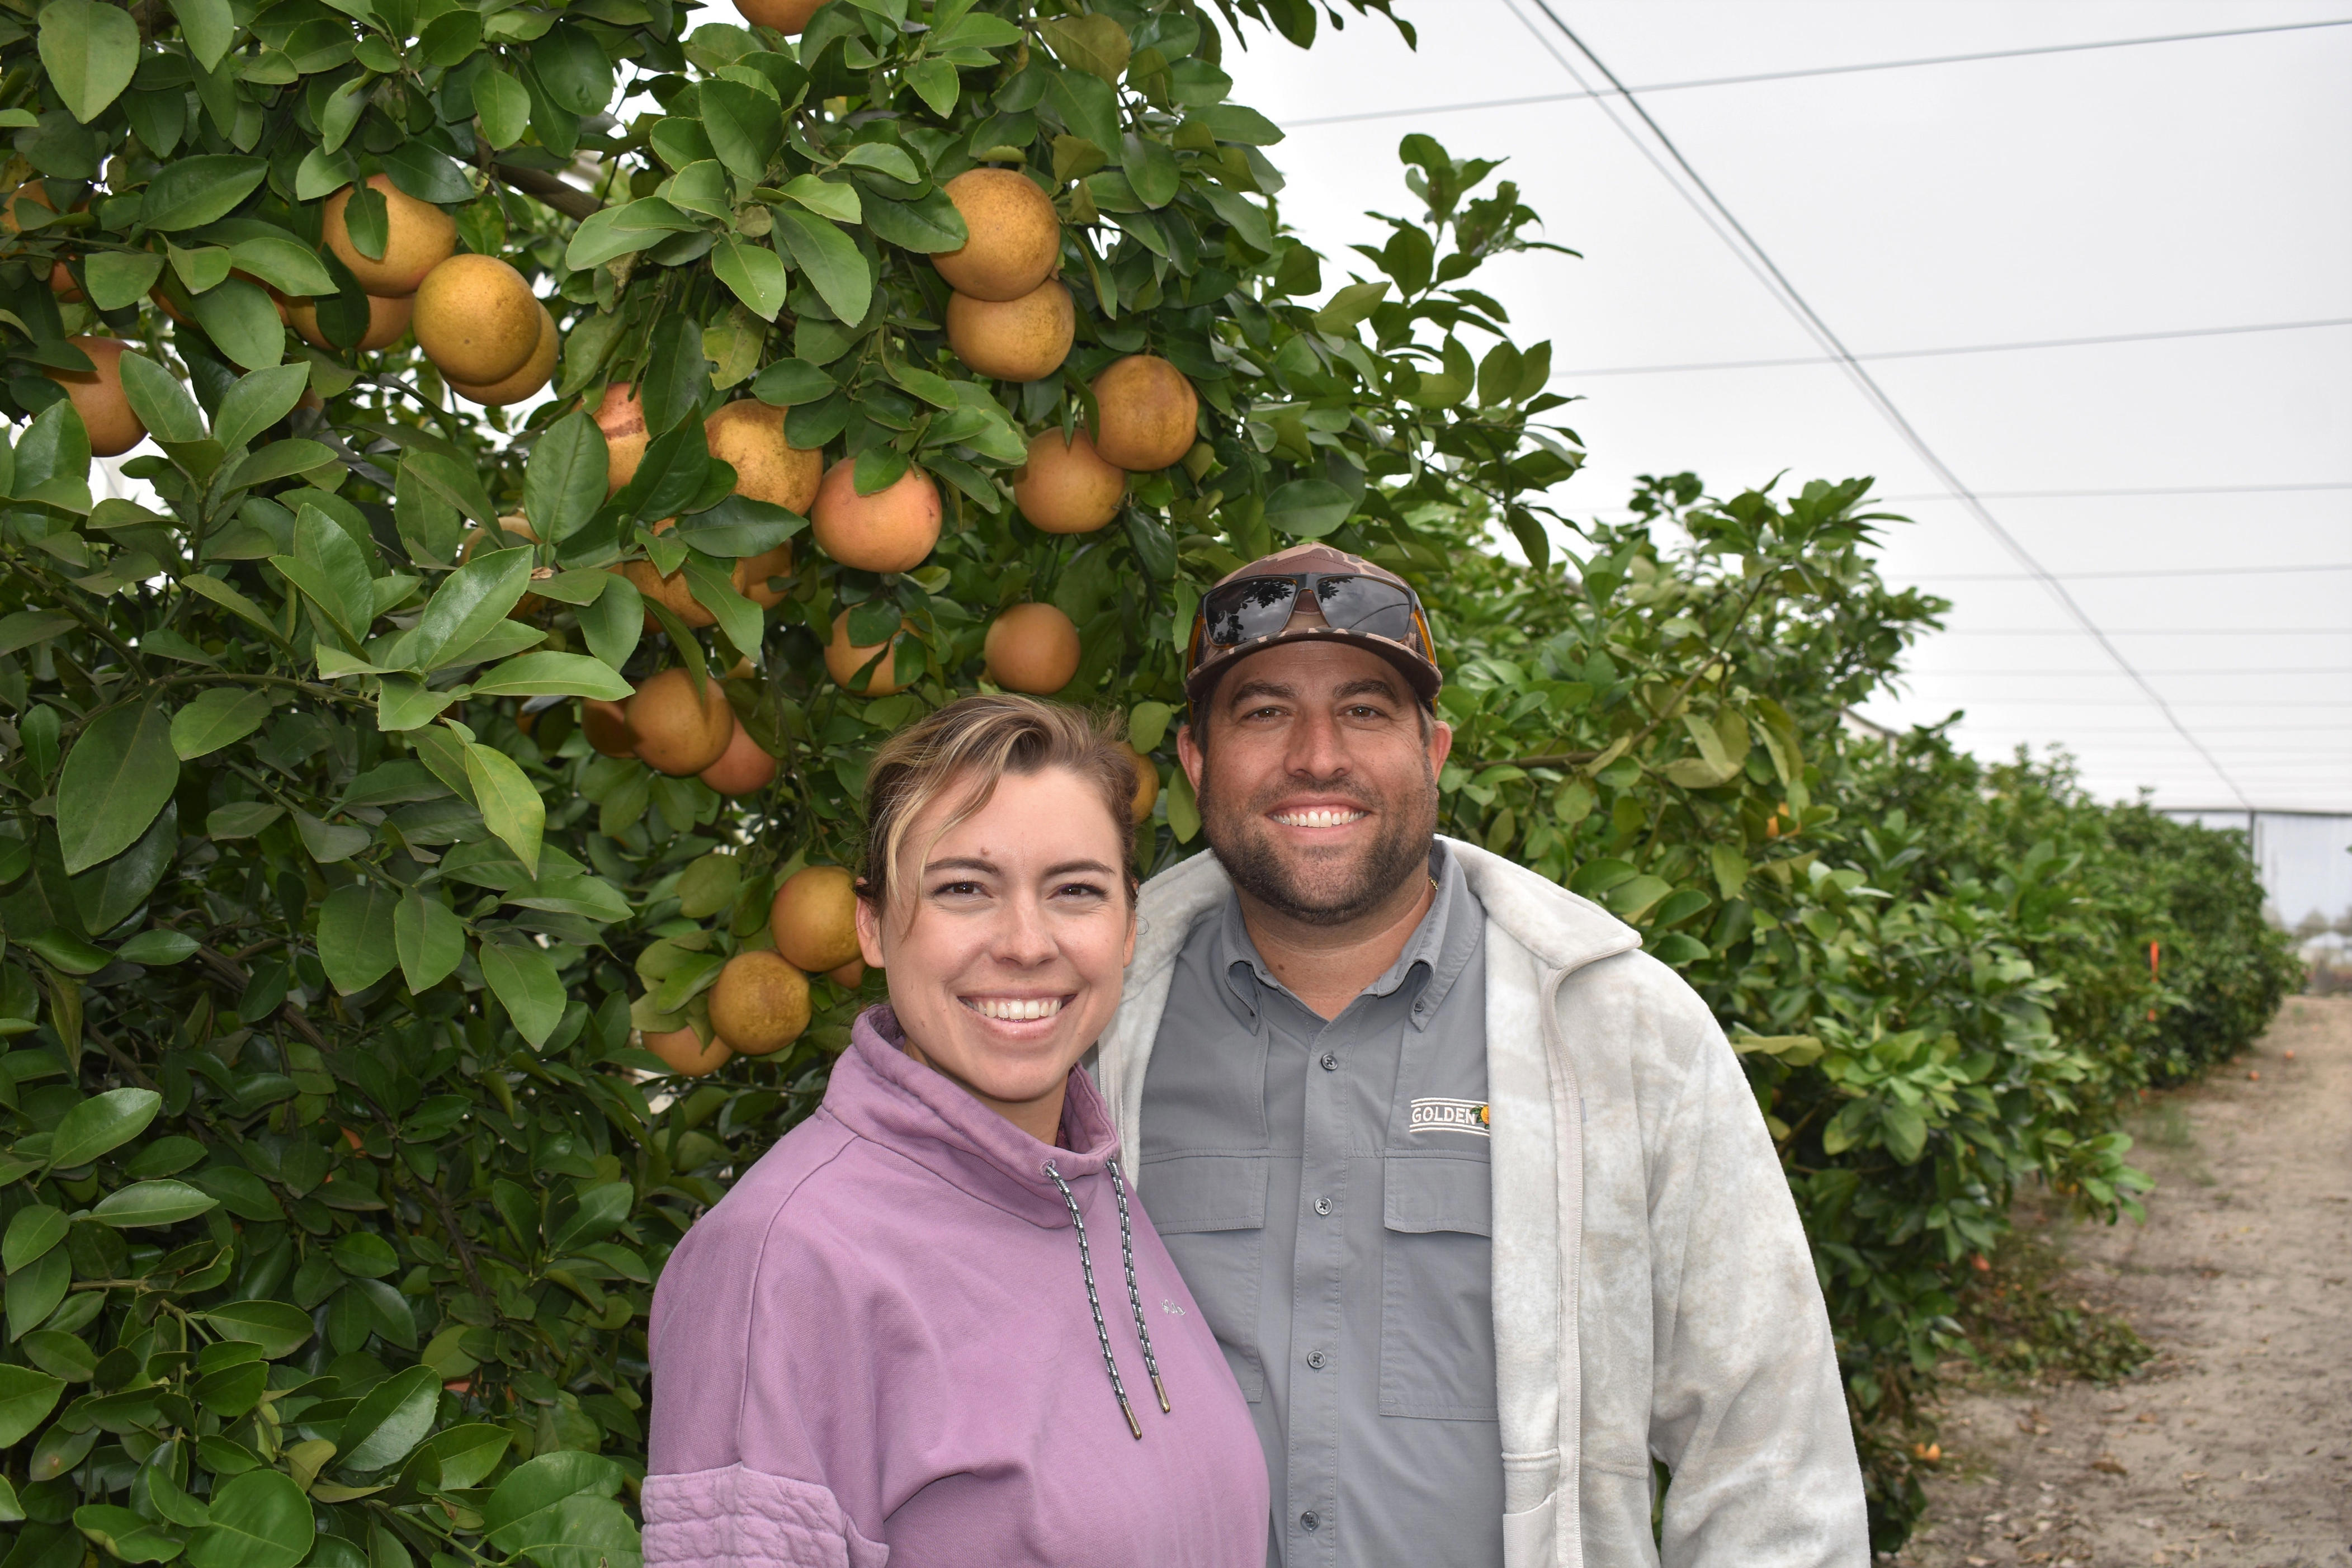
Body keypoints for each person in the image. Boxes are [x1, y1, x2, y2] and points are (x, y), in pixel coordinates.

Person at [1089, 544, 1869, 1567]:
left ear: (1435, 752)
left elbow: (1769, 1457)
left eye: (1365, 711)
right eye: (1264, 712)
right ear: (1195, 763)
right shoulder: (1092, 1032)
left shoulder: (1622, 1033)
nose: (1316, 756)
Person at [643, 696, 1269, 1567]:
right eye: (963, 888)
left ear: (1129, 928)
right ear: (871, 924)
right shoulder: (785, 1259)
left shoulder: (1089, 1185)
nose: (1024, 942)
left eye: (1075, 890)